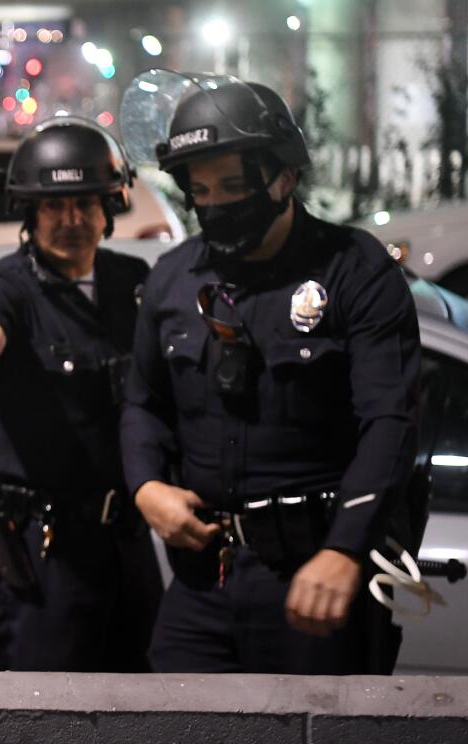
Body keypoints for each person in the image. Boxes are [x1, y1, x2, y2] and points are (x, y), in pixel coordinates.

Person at [118, 71, 421, 674]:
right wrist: (146, 486)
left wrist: (345, 550)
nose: (215, 205)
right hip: (203, 585)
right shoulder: (173, 279)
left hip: (317, 577)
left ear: (283, 177)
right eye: (199, 190)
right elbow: (142, 404)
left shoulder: (353, 271)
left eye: (233, 185)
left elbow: (391, 420)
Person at [0, 118, 163, 671]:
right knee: (41, 729)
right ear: (30, 214)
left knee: (150, 719)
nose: (71, 220)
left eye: (84, 204)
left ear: (111, 206)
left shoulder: (134, 282)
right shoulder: (8, 285)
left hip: (127, 547)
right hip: (43, 557)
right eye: (54, 206)